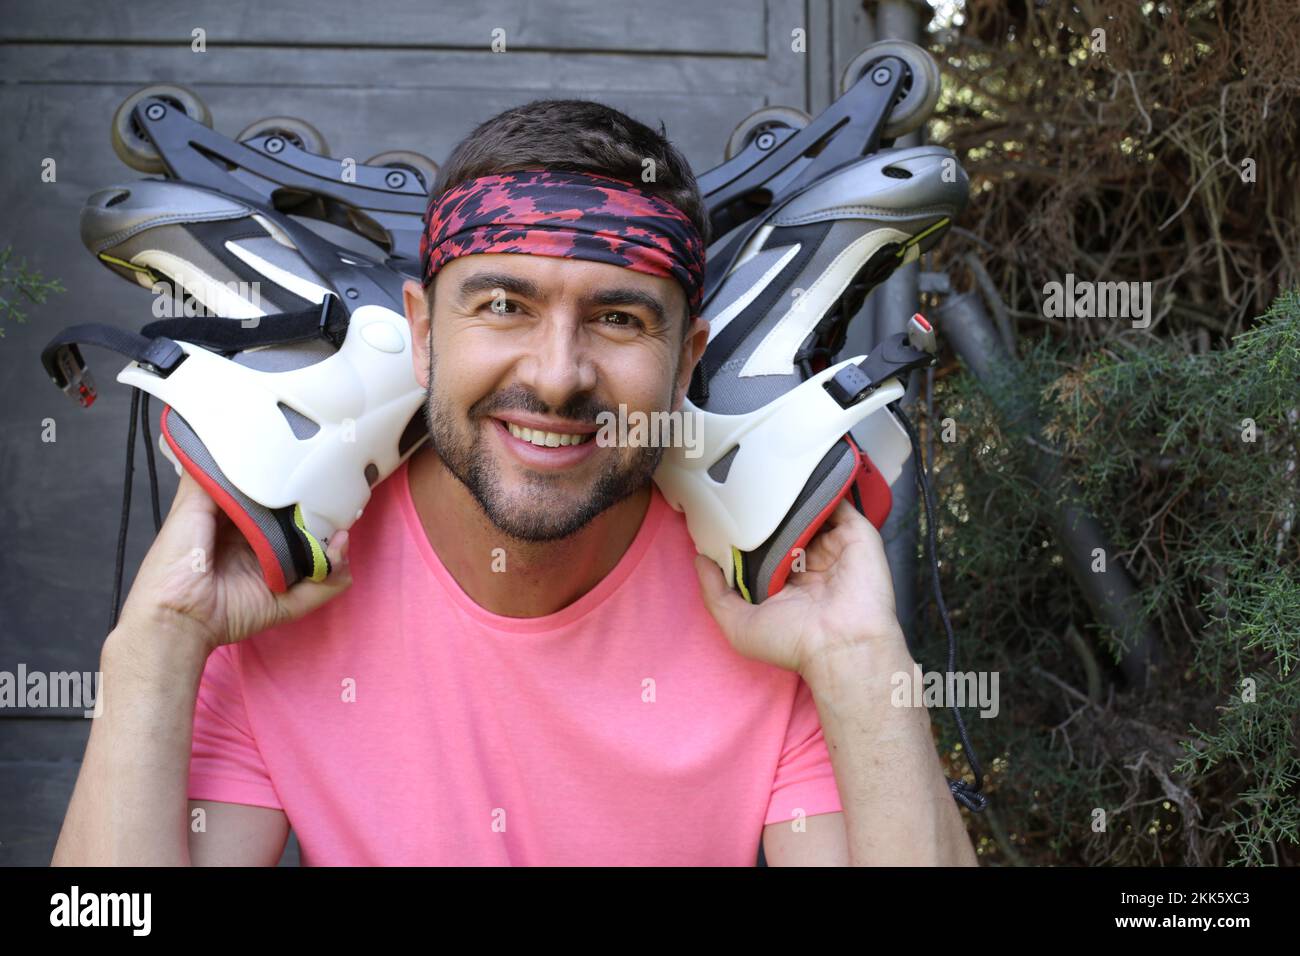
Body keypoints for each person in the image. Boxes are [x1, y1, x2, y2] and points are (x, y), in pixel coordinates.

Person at [52, 99, 977, 866]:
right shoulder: (280, 596)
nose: (558, 373)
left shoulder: (772, 610)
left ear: (686, 357)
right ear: (422, 331)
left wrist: (860, 659)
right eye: (503, 304)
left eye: (618, 318)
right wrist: (158, 641)